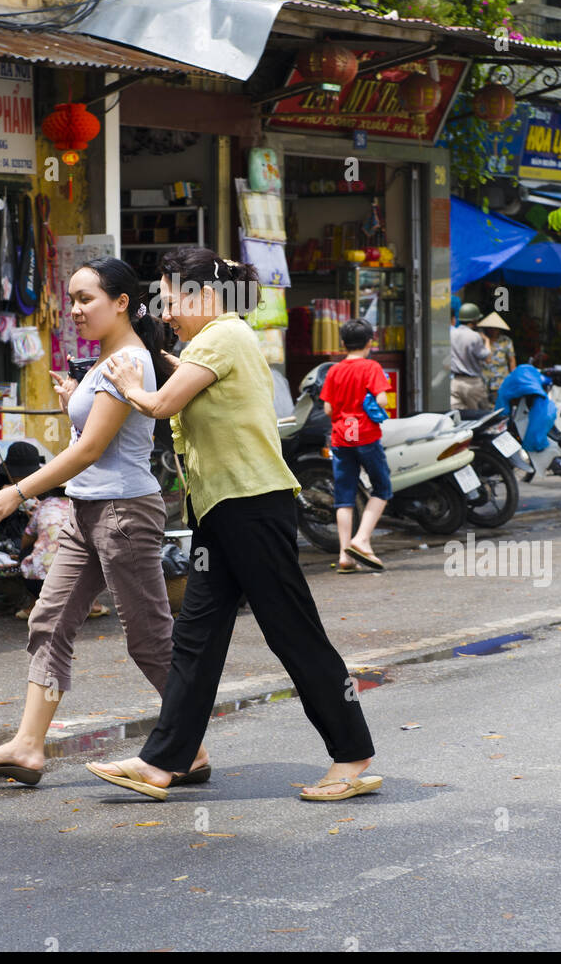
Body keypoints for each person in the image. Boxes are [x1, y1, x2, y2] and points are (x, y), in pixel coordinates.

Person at [85, 248, 380, 805]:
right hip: (222, 510)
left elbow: (161, 403)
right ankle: (160, 761)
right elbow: (183, 377)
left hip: (252, 506)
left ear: (202, 296)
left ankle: (352, 755)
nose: (167, 314)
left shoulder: (222, 334)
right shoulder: (215, 343)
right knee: (196, 637)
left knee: (292, 631)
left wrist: (126, 379)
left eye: (170, 301)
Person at [0, 257, 208, 788]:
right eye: (71, 299)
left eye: (85, 299)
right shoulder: (104, 361)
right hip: (85, 510)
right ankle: (27, 747)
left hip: (123, 514)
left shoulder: (130, 361)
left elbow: (93, 449)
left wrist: (16, 491)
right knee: (48, 621)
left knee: (149, 639)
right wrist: (76, 400)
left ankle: (192, 749)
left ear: (121, 303)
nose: (74, 310)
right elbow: (91, 437)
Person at [320, 319, 393, 573]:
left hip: (341, 439)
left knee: (344, 497)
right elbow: (382, 400)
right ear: (370, 342)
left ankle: (344, 556)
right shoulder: (371, 367)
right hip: (367, 437)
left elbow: (328, 408)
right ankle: (361, 539)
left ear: (342, 344)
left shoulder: (334, 371)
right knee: (383, 488)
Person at [16, 491, 110, 622]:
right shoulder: (87, 506)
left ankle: (34, 605)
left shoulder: (44, 505)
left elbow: (27, 537)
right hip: (79, 578)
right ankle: (93, 604)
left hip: (39, 579)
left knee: (27, 551)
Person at [450, 302, 492, 410]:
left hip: (455, 383)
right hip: (472, 383)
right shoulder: (475, 336)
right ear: (474, 320)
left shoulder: (451, 334)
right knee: (482, 418)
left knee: (458, 418)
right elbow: (487, 358)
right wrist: (486, 340)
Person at [477, 311, 516, 403]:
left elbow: (511, 360)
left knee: (499, 404)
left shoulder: (506, 341)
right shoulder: (480, 340)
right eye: (490, 328)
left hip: (500, 380)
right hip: (483, 379)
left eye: (495, 328)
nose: (493, 330)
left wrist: (513, 378)